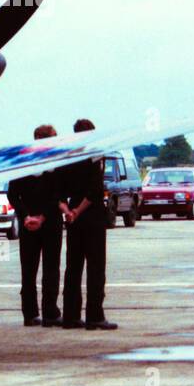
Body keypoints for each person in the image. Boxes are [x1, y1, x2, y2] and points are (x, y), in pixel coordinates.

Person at [57, 119, 117, 331]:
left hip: (72, 215)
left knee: (73, 267)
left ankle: (70, 316)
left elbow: (58, 190)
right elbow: (94, 191)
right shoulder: (94, 155)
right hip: (91, 216)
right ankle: (94, 316)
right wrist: (79, 212)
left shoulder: (66, 157)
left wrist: (68, 212)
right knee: (95, 267)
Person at [6, 124, 62, 327]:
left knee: (29, 270)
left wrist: (26, 215)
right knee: (49, 268)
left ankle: (30, 313)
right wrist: (40, 217)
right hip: (48, 221)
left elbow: (12, 194)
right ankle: (49, 313)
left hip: (31, 223)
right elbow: (58, 194)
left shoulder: (22, 161)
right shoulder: (56, 161)